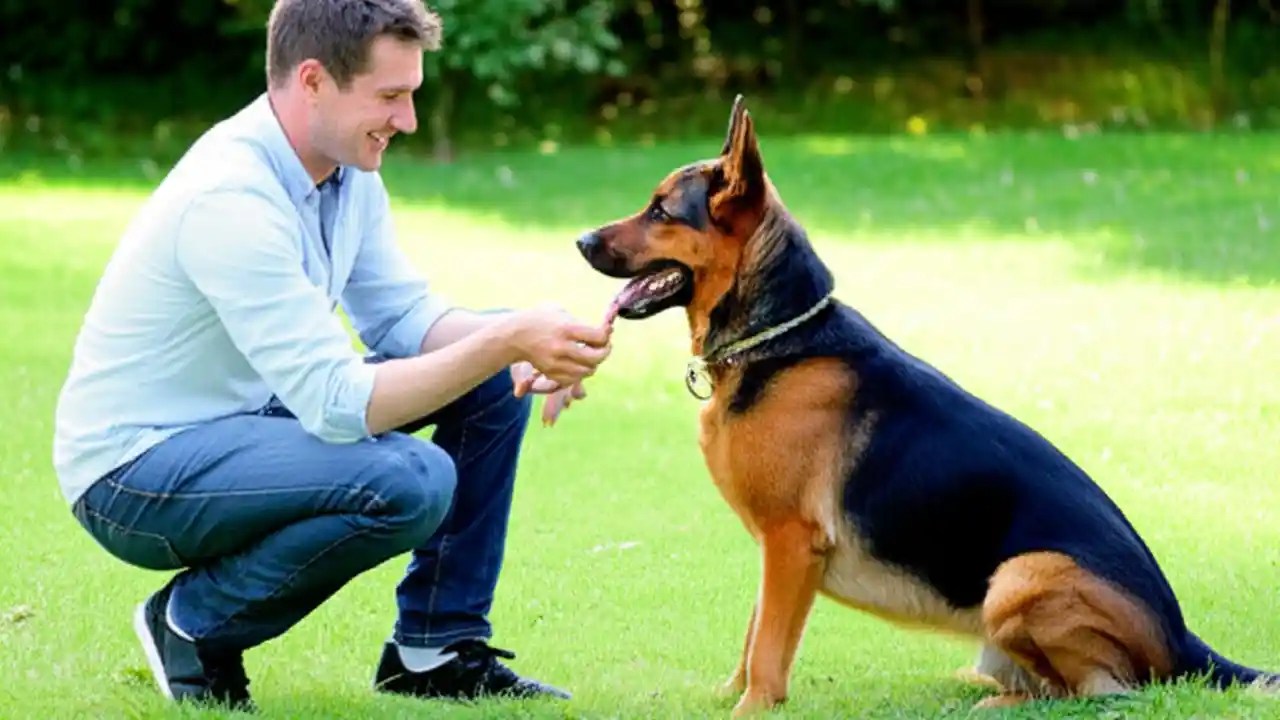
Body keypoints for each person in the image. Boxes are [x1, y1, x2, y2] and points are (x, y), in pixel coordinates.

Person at [51, 0, 612, 711]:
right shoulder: (231, 198)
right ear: (313, 80)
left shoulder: (348, 172)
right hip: (135, 470)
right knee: (413, 479)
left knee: (490, 366)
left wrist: (531, 338)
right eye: (390, 96)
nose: (406, 121)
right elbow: (339, 403)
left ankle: (433, 650)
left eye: (410, 95)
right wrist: (503, 342)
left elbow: (405, 317)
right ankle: (192, 625)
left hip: (249, 418)